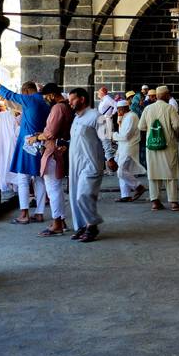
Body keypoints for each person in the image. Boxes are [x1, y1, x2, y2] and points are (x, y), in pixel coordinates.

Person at [0, 71, 51, 225]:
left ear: (26, 92)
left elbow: (7, 94)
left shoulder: (29, 100)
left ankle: (24, 214)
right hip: (41, 144)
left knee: (23, 178)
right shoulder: (46, 103)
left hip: (27, 144)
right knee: (39, 178)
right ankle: (40, 212)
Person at [66, 88, 111, 243]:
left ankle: (93, 225)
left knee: (83, 195)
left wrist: (110, 158)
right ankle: (82, 226)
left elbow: (106, 138)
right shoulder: (76, 118)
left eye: (73, 99)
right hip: (75, 163)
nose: (70, 102)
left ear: (82, 99)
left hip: (91, 162)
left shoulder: (97, 116)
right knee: (74, 196)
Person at [32, 83, 72, 237]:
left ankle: (57, 224)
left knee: (53, 189)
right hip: (59, 151)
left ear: (51, 94)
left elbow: (50, 133)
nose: (46, 100)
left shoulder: (57, 108)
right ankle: (60, 221)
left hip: (52, 152)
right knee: (57, 189)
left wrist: (35, 137)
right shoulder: (66, 106)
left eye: (46, 97)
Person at [139, 84, 179, 211]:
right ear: (165, 95)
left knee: (153, 173)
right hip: (168, 146)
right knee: (170, 173)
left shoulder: (148, 109)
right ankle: (173, 202)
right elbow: (176, 126)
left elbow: (141, 126)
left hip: (152, 146)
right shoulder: (170, 108)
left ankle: (155, 202)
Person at [112, 98, 147, 202]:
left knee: (121, 171)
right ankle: (125, 195)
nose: (118, 112)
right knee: (123, 171)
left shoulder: (132, 116)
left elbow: (126, 136)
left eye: (119, 109)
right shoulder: (125, 116)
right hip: (123, 147)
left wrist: (114, 136)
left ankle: (139, 187)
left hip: (129, 148)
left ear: (124, 108)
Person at [0, 99, 21, 199]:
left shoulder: (9, 116)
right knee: (4, 164)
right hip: (5, 144)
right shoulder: (4, 116)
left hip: (10, 145)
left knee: (7, 164)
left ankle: (13, 186)